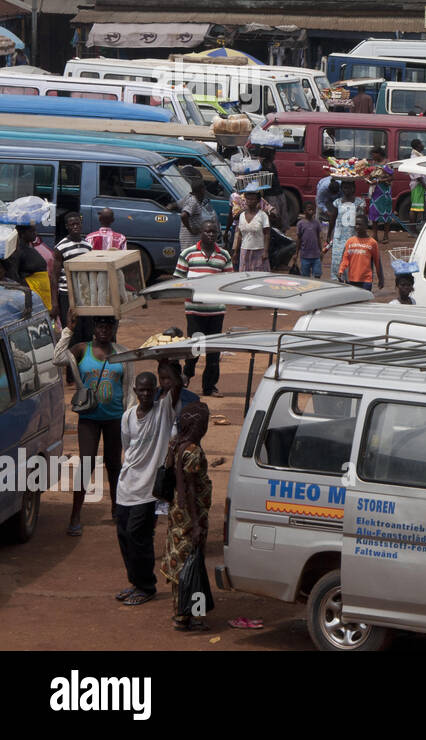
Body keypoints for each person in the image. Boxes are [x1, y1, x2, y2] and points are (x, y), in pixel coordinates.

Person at [114, 371, 181, 607]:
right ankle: (135, 582)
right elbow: (127, 447)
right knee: (123, 536)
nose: (144, 394)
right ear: (135, 392)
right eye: (141, 390)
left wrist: (168, 367)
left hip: (147, 491)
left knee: (137, 536)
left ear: (156, 391)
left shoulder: (163, 412)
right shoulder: (127, 417)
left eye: (149, 390)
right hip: (126, 487)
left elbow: (175, 388)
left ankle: (146, 586)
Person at [67, 316, 134, 535]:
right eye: (100, 326)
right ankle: (75, 515)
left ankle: (117, 508)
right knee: (86, 463)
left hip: (115, 417)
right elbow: (58, 358)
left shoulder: (122, 353)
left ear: (115, 328)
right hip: (89, 417)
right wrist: (69, 329)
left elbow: (129, 387)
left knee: (114, 464)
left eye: (109, 326)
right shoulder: (81, 349)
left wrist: (128, 416)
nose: (104, 330)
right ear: (94, 327)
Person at [161, 402, 213, 632]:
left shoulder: (176, 445)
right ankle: (193, 616)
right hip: (192, 517)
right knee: (195, 567)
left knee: (180, 564)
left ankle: (180, 614)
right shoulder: (193, 452)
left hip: (176, 516)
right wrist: (196, 525)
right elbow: (190, 489)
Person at [173, 220, 234, 397]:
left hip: (216, 310)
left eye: (214, 232)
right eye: (207, 232)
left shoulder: (224, 256)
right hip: (194, 310)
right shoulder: (188, 254)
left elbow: (228, 281)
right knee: (196, 345)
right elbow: (178, 279)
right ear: (201, 232)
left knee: (214, 349)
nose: (210, 235)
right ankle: (188, 373)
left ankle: (210, 386)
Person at [54, 211, 92, 340]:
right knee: (72, 331)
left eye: (77, 224)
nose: (75, 227)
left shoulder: (88, 246)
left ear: (81, 225)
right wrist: (55, 302)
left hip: (84, 294)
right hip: (67, 295)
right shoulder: (60, 247)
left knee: (87, 330)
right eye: (72, 224)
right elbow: (54, 277)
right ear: (67, 226)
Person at [5, 225, 53, 312]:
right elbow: (14, 275)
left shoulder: (29, 248)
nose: (35, 233)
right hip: (33, 292)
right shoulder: (18, 251)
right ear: (22, 234)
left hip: (42, 292)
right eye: (32, 231)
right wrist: (27, 291)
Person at [326, 178, 365, 282]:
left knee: (352, 260)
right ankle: (336, 281)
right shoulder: (337, 202)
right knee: (337, 260)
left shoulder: (359, 202)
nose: (347, 190)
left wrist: (362, 235)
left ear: (354, 188)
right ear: (341, 188)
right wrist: (329, 234)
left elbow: (362, 220)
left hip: (353, 236)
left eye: (349, 187)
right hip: (339, 237)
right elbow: (332, 219)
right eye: (344, 187)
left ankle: (350, 281)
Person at [176, 169, 218, 254]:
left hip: (193, 238)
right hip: (190, 239)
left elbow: (178, 204)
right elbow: (184, 215)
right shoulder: (193, 201)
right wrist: (191, 229)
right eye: (204, 189)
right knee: (189, 257)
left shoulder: (191, 197)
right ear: (201, 190)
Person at [337, 218, 385, 292]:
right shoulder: (350, 241)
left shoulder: (372, 243)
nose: (357, 226)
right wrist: (341, 271)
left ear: (366, 226)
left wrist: (381, 278)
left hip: (366, 280)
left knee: (364, 302)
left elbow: (377, 262)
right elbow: (345, 259)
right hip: (351, 279)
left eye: (360, 224)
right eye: (356, 224)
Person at [232, 188, 272, 273]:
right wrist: (236, 252)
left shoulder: (263, 215)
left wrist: (265, 251)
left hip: (259, 251)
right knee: (244, 276)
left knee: (258, 276)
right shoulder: (241, 215)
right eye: (248, 199)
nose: (250, 201)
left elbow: (267, 234)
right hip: (244, 251)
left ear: (258, 201)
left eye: (253, 199)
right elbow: (239, 235)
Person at [367, 156, 398, 245]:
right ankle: (375, 235)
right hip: (375, 194)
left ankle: (385, 236)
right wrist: (369, 181)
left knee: (386, 215)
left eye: (374, 154)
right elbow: (370, 177)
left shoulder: (386, 166)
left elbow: (392, 177)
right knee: (374, 213)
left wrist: (379, 181)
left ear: (379, 154)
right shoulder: (373, 165)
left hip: (384, 193)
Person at [293, 203, 326, 278]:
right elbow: (299, 239)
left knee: (317, 275)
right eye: (309, 209)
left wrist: (321, 251)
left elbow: (318, 237)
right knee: (305, 277)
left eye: (313, 209)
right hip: (305, 256)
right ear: (304, 211)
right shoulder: (300, 224)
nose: (311, 211)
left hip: (316, 255)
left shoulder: (317, 223)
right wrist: (296, 253)